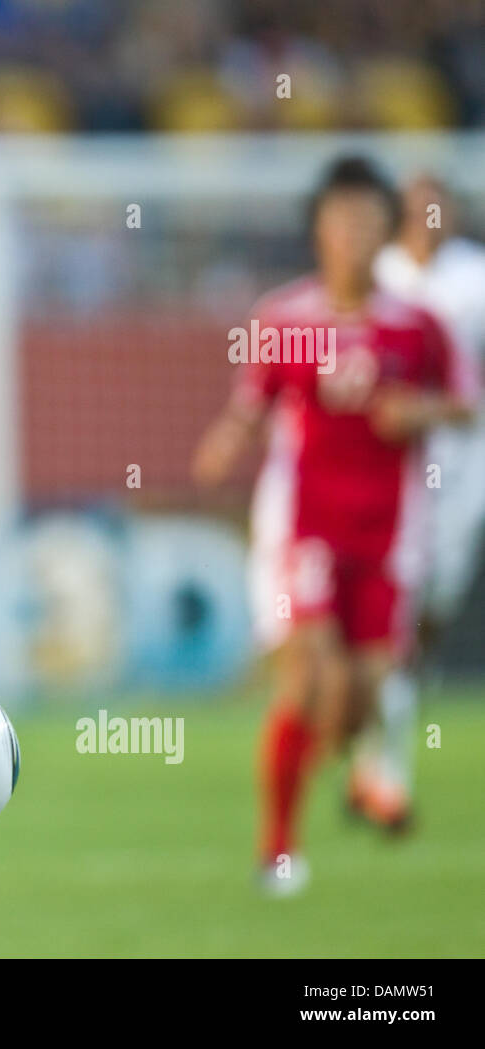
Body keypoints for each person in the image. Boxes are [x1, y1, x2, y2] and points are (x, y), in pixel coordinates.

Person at [191, 156, 476, 895]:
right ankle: (278, 848)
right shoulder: (285, 318)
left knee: (363, 697)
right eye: (338, 220)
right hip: (305, 526)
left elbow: (465, 404)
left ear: (387, 228)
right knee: (312, 678)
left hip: (389, 531)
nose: (352, 234)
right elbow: (253, 402)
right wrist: (227, 440)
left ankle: (351, 769)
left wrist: (421, 412)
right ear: (319, 229)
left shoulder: (419, 326)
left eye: (366, 220)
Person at [355, 173, 485, 828]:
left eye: (440, 204)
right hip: (388, 473)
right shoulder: (379, 275)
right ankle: (386, 770)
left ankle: (378, 743)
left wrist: (433, 408)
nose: (428, 216)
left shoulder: (475, 279)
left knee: (430, 610)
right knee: (392, 617)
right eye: (415, 206)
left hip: (462, 470)